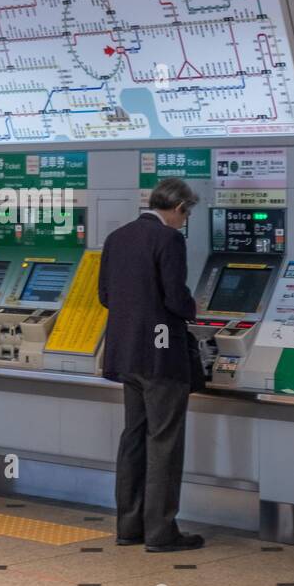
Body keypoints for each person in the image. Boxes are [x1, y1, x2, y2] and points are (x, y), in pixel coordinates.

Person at [99, 177, 207, 553]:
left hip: (125, 354)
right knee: (164, 441)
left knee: (133, 437)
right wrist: (195, 311)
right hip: (161, 355)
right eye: (186, 214)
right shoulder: (169, 240)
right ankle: (161, 531)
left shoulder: (118, 238)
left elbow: (105, 296)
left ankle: (129, 526)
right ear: (178, 208)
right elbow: (176, 298)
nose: (184, 221)